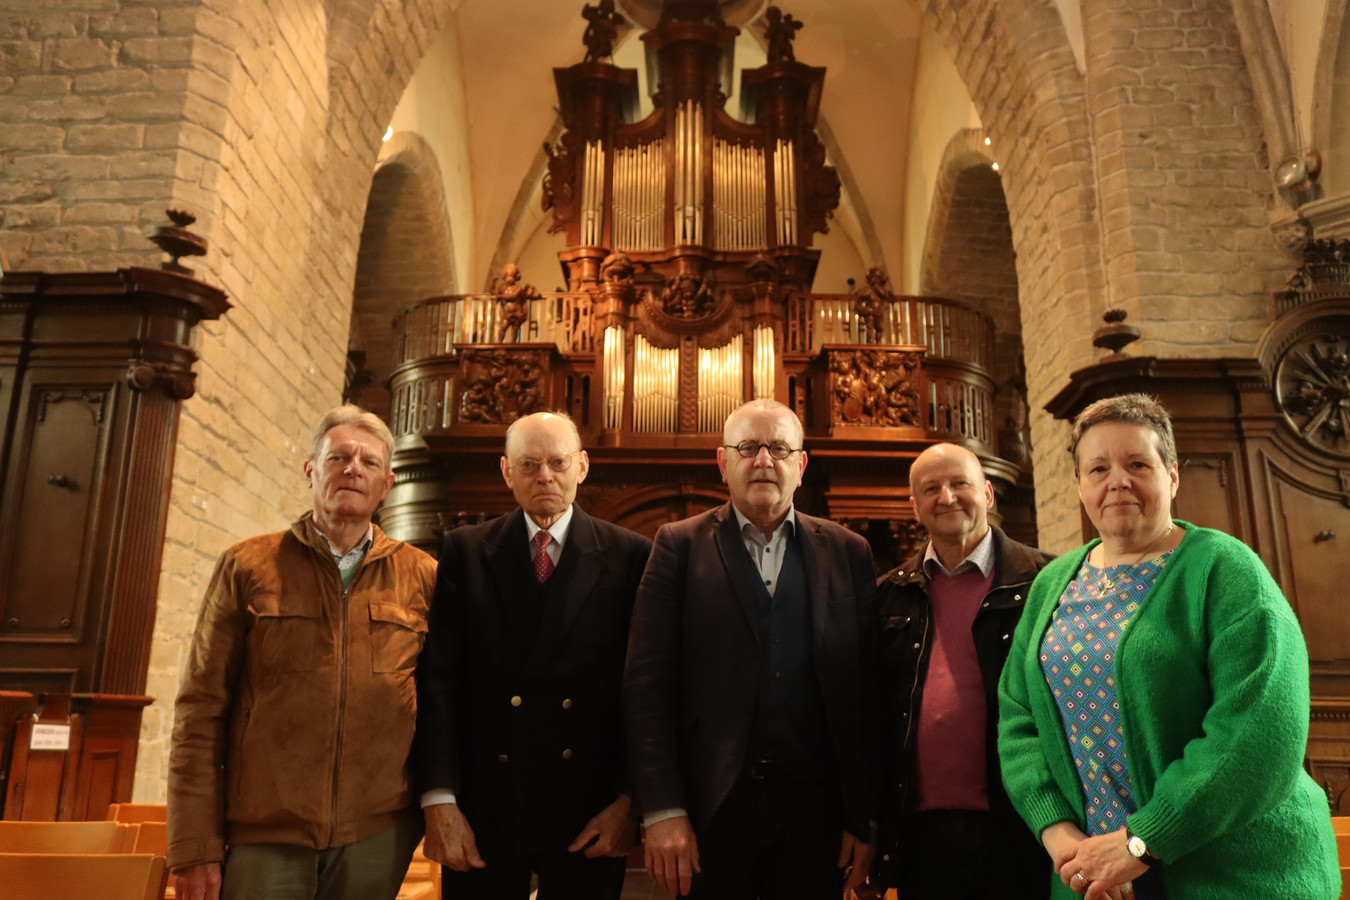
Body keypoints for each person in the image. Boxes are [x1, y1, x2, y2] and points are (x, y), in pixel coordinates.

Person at [998, 393, 1340, 900]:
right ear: (1079, 485)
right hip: (1093, 874)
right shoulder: (1052, 584)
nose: (1118, 481)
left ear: (1172, 475)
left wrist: (1142, 842)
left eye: (1137, 463)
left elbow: (1258, 729)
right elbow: (1017, 717)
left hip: (1232, 873)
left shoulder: (1225, 570)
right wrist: (1062, 837)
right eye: (1097, 468)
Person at [167, 405, 436, 900]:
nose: (353, 468)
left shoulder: (422, 576)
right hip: (265, 834)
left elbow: (439, 706)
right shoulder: (247, 566)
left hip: (376, 835)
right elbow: (200, 710)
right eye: (339, 457)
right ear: (311, 470)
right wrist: (194, 844)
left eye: (369, 462)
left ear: (387, 483)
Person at [624, 399, 881, 899]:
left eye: (779, 447)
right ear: (724, 462)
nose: (764, 460)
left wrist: (865, 813)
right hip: (708, 811)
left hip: (819, 814)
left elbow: (866, 692)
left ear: (801, 464)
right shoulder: (678, 546)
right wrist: (662, 808)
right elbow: (646, 688)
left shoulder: (849, 551)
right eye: (748, 447)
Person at [412, 411, 651, 900]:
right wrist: (439, 799)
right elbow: (438, 683)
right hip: (486, 805)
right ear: (506, 471)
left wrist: (630, 802)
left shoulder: (631, 555)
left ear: (582, 467)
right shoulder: (466, 550)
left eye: (558, 462)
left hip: (588, 806)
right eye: (529, 464)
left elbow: (644, 692)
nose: (545, 475)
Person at [866, 442, 1053, 899]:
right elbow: (870, 716)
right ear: (914, 506)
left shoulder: (1046, 581)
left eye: (959, 484)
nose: (947, 497)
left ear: (988, 493)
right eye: (931, 488)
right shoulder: (888, 595)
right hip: (921, 833)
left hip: (1022, 822)